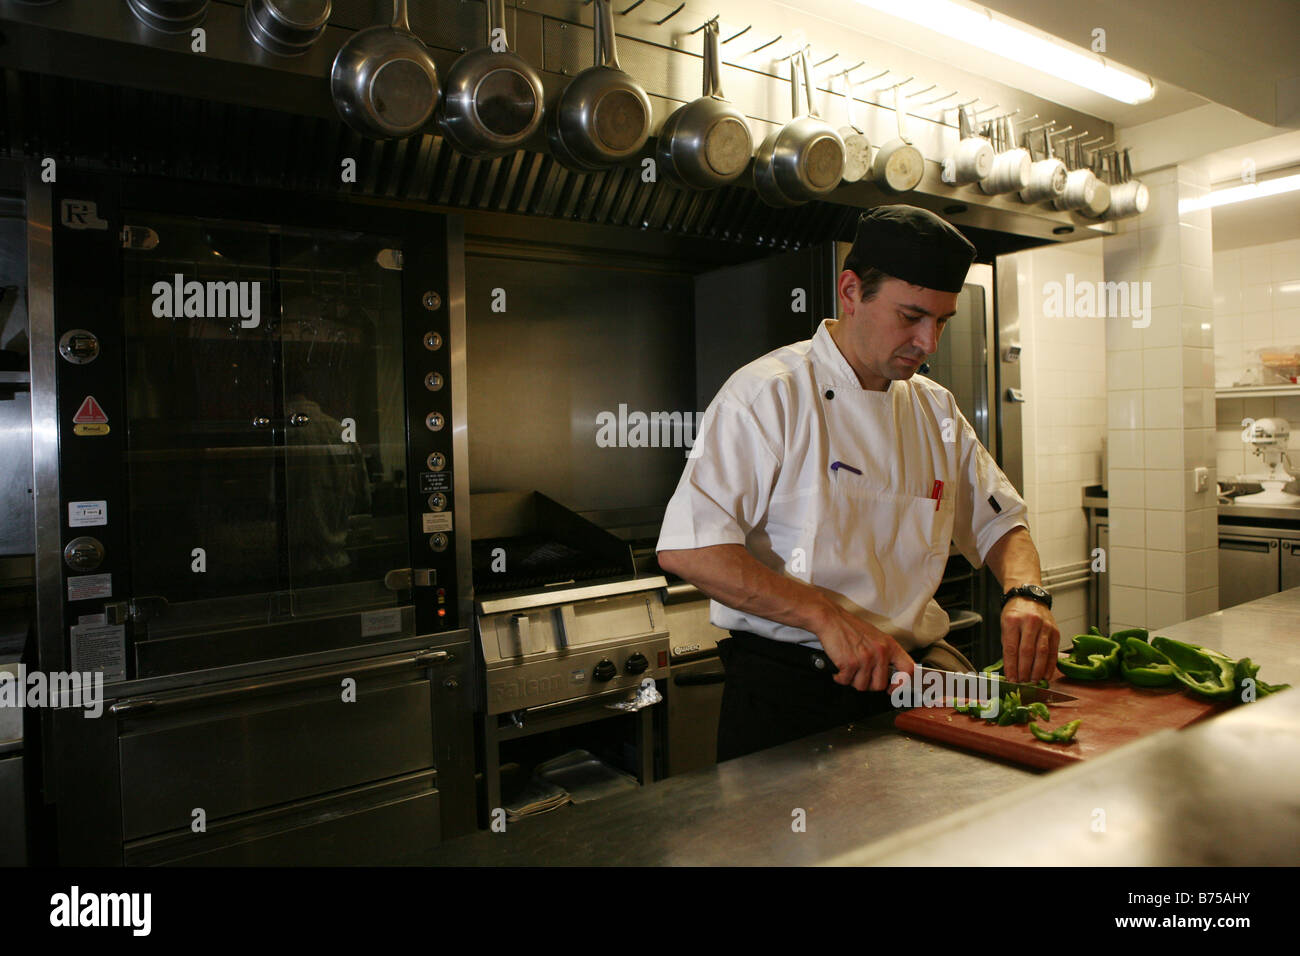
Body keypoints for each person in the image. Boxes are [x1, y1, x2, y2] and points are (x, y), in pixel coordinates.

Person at [656, 205, 1060, 761]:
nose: (928, 342)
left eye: (941, 321)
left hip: (911, 687)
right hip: (792, 698)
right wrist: (825, 617)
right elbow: (692, 548)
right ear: (851, 291)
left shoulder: (933, 406)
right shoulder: (767, 395)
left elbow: (1001, 522)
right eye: (911, 317)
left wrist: (1026, 594)